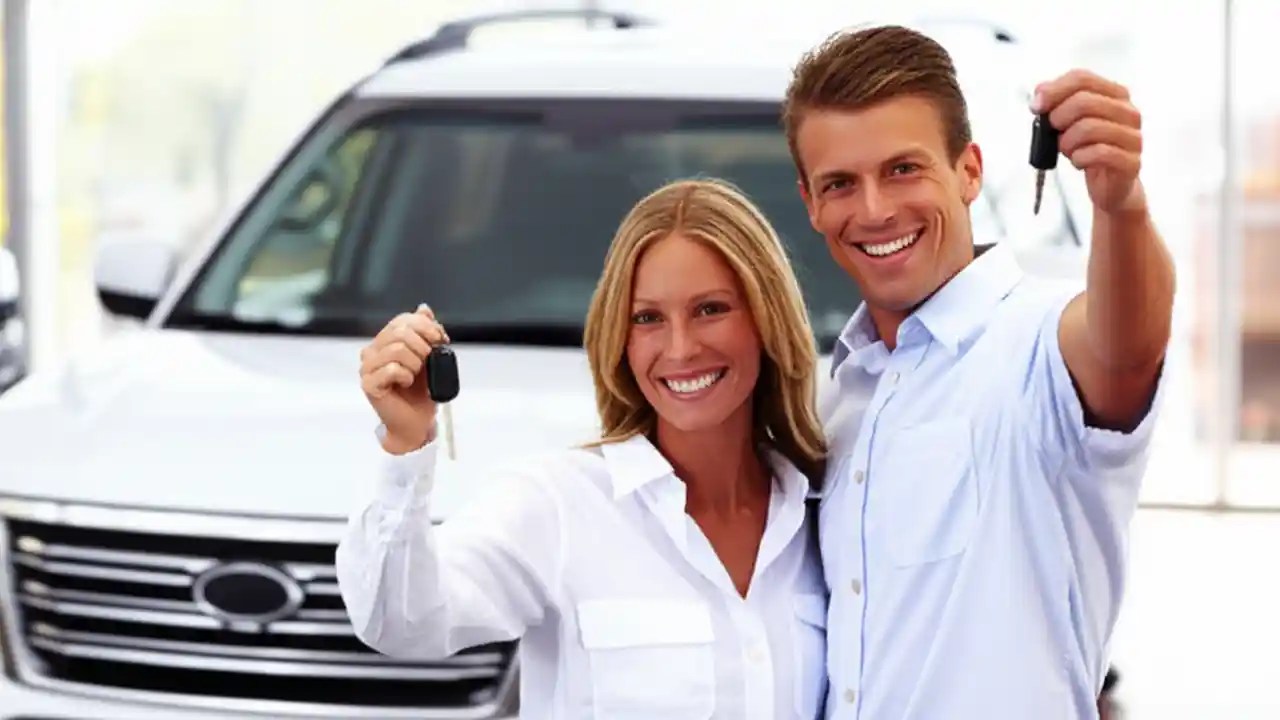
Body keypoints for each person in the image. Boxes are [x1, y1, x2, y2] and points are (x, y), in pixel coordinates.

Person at [781, 25, 1175, 719]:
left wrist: (1121, 204)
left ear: (969, 170)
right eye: (841, 183)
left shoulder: (1040, 344)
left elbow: (1128, 344)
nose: (874, 210)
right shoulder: (838, 399)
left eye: (903, 169)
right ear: (811, 203)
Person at [336, 178, 832, 719]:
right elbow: (402, 621)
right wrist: (404, 443)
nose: (681, 348)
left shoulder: (825, 517)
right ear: (619, 336)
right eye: (647, 318)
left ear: (767, 318)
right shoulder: (559, 503)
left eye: (711, 309)